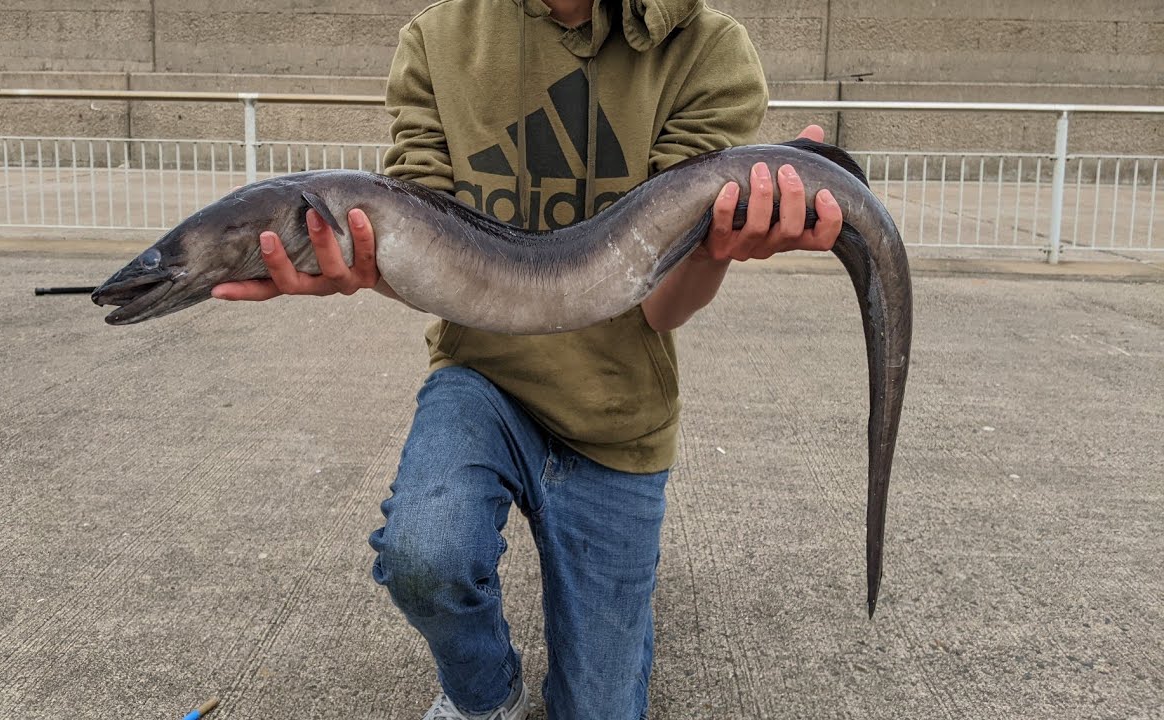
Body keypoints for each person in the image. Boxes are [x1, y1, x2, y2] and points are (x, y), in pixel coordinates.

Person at [212, 0, 842, 717]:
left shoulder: (708, 50)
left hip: (617, 415)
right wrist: (350, 267)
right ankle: (485, 695)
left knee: (598, 708)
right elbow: (437, 265)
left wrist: (714, 250)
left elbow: (659, 308)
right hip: (482, 377)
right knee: (425, 555)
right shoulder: (435, 39)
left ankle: (620, 608)